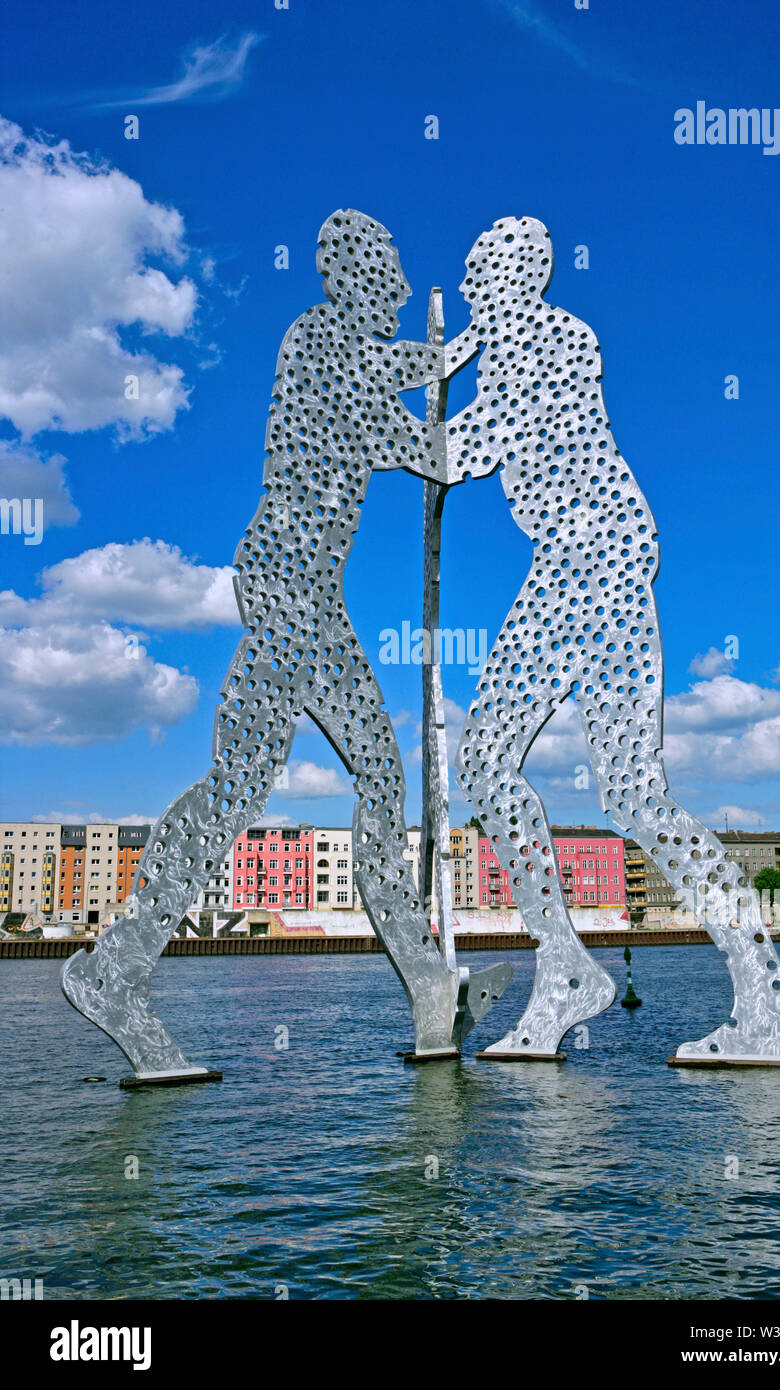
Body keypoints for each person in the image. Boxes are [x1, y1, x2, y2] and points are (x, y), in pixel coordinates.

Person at [62, 210, 508, 1076]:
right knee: (363, 781)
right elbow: (438, 450)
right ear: (354, 277)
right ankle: (420, 986)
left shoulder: (340, 352)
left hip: (300, 593)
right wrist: (496, 374)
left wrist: (464, 354)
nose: (406, 291)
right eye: (392, 273)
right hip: (291, 591)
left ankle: (122, 967)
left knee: (253, 785)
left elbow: (409, 377)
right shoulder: (323, 349)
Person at [445, 215, 780, 1062]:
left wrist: (371, 433)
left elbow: (470, 444)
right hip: (579, 566)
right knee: (579, 785)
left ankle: (757, 1003)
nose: (468, 292)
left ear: (513, 279)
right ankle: (571, 970)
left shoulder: (551, 341)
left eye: (477, 276)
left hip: (589, 568)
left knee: (595, 789)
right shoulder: (512, 341)